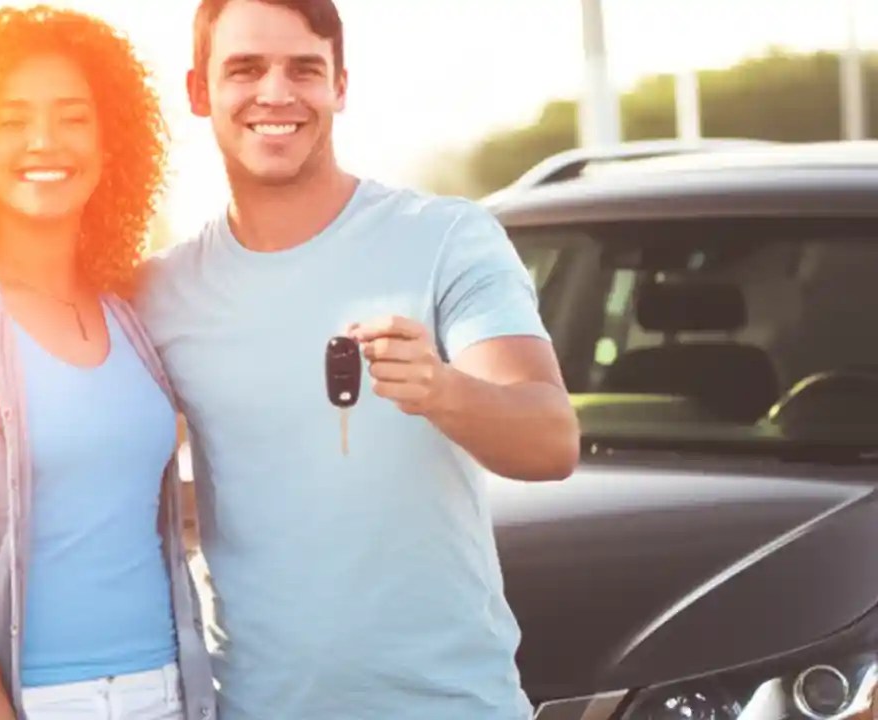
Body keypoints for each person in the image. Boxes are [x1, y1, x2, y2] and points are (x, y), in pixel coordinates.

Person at [134, 0, 581, 718]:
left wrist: (441, 388)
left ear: (340, 85)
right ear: (198, 92)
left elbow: (551, 440)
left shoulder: (446, 238)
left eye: (303, 69)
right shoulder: (161, 294)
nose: (275, 94)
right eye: (245, 69)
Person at [0, 6, 216, 720]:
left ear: (111, 140)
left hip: (165, 692)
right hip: (32, 701)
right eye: (10, 120)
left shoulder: (131, 313)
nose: (45, 141)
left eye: (74, 117)